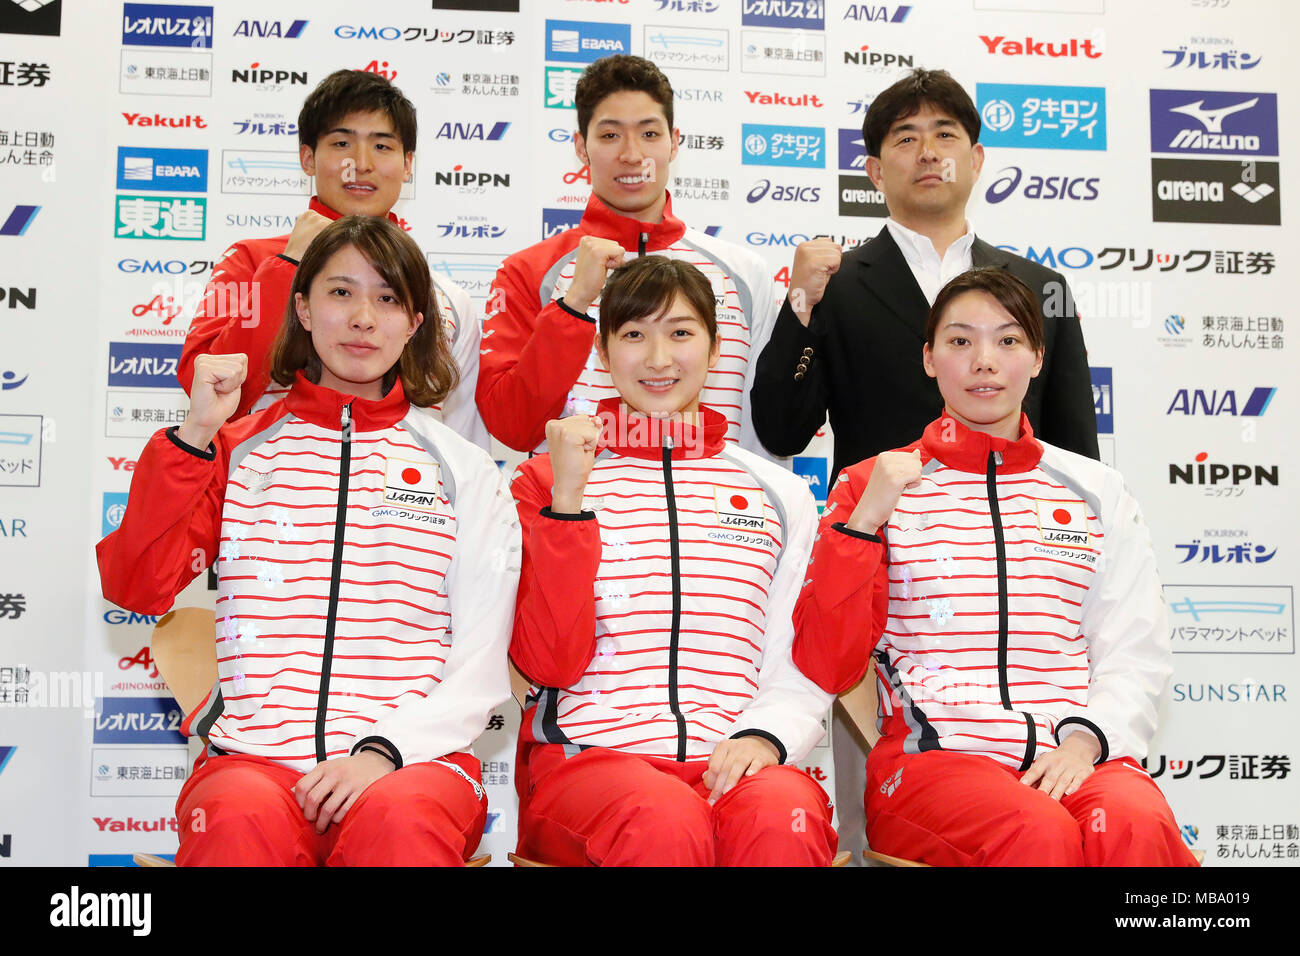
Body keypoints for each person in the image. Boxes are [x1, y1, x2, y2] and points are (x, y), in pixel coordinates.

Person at [98, 216, 519, 866]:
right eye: (340, 293)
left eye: (387, 299)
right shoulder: (236, 448)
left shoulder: (462, 470)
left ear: (415, 322)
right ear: (302, 306)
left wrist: (385, 752)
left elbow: (483, 660)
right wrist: (193, 435)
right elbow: (137, 585)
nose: (362, 318)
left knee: (400, 827)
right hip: (255, 762)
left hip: (413, 766)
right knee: (234, 821)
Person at [792, 268, 1195, 866]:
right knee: (1036, 835)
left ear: (1037, 358)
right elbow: (829, 660)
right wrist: (861, 526)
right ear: (928, 359)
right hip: (933, 766)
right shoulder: (869, 485)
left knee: (1135, 827)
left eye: (1008, 341)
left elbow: (1134, 648)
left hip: (1076, 752)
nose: (984, 361)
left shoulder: (1094, 490)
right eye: (960, 341)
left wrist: (1086, 743)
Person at [508, 255, 836, 866]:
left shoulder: (780, 492)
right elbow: (547, 662)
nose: (658, 358)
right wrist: (569, 508)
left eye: (681, 333)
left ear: (715, 352)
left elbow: (799, 649)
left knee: (785, 819)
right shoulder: (546, 481)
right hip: (590, 763)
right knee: (663, 820)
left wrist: (767, 735)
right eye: (634, 334)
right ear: (602, 354)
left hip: (734, 755)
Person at [751, 67, 1098, 484]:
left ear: (976, 160)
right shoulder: (833, 288)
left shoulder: (1042, 288)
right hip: (880, 537)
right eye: (907, 138)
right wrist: (800, 305)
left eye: (945, 135)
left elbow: (1078, 457)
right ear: (876, 172)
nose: (928, 153)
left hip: (1015, 537)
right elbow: (780, 431)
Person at [476, 54, 778, 456]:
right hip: (577, 514)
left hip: (709, 513)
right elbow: (512, 427)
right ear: (581, 148)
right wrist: (571, 308)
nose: (632, 155)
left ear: (675, 143)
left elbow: (766, 434)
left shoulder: (742, 272)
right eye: (610, 135)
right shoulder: (529, 271)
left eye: (650, 134)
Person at [178, 69, 487, 446]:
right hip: (262, 496)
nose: (360, 163)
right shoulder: (250, 261)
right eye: (341, 144)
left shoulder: (446, 299)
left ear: (408, 164)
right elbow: (208, 386)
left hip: (400, 497)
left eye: (382, 146)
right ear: (307, 158)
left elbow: (461, 440)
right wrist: (287, 269)